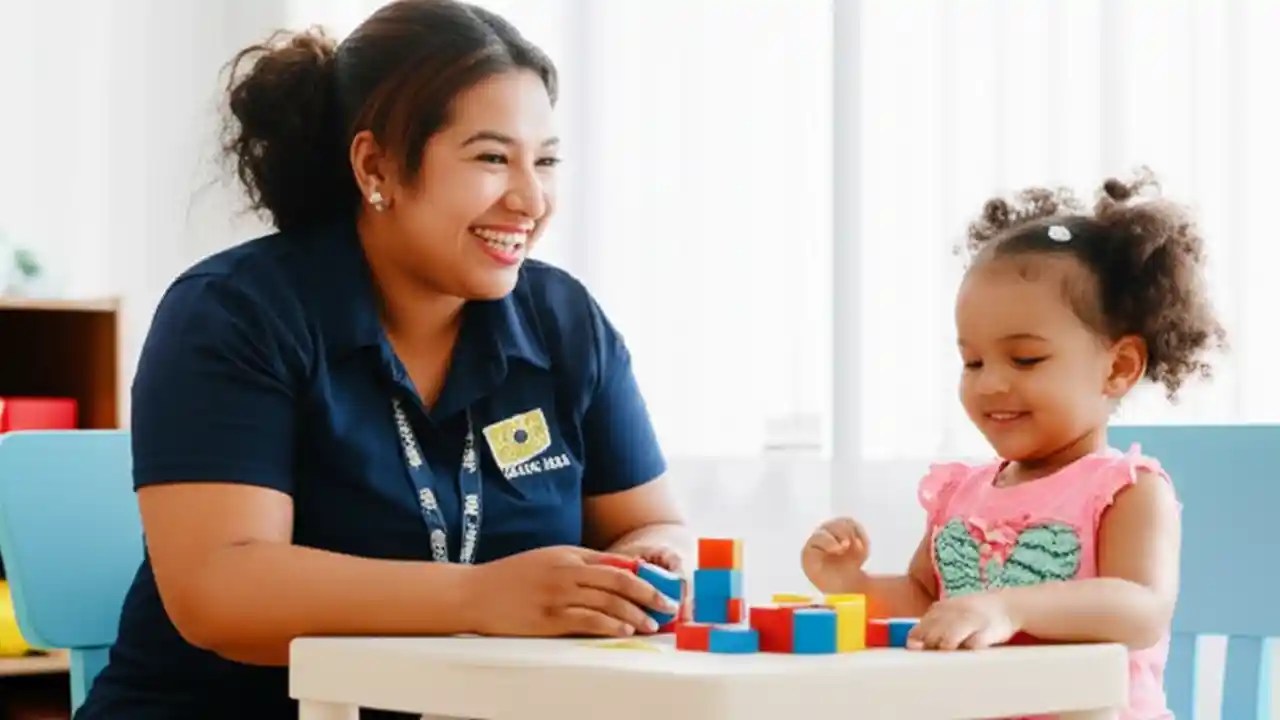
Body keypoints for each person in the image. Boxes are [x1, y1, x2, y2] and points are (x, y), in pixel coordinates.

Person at [77, 2, 690, 718]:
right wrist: (482, 596)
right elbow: (220, 591)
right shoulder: (232, 314)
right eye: (492, 157)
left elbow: (648, 524)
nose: (532, 199)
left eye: (546, 160)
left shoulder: (564, 322)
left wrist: (651, 564)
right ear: (376, 165)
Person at [801, 169, 1225, 719]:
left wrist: (1010, 608)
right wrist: (852, 583)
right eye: (972, 361)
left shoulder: (1125, 490)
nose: (990, 383)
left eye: (1025, 359)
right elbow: (927, 600)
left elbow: (1140, 608)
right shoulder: (963, 493)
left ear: (1118, 367)